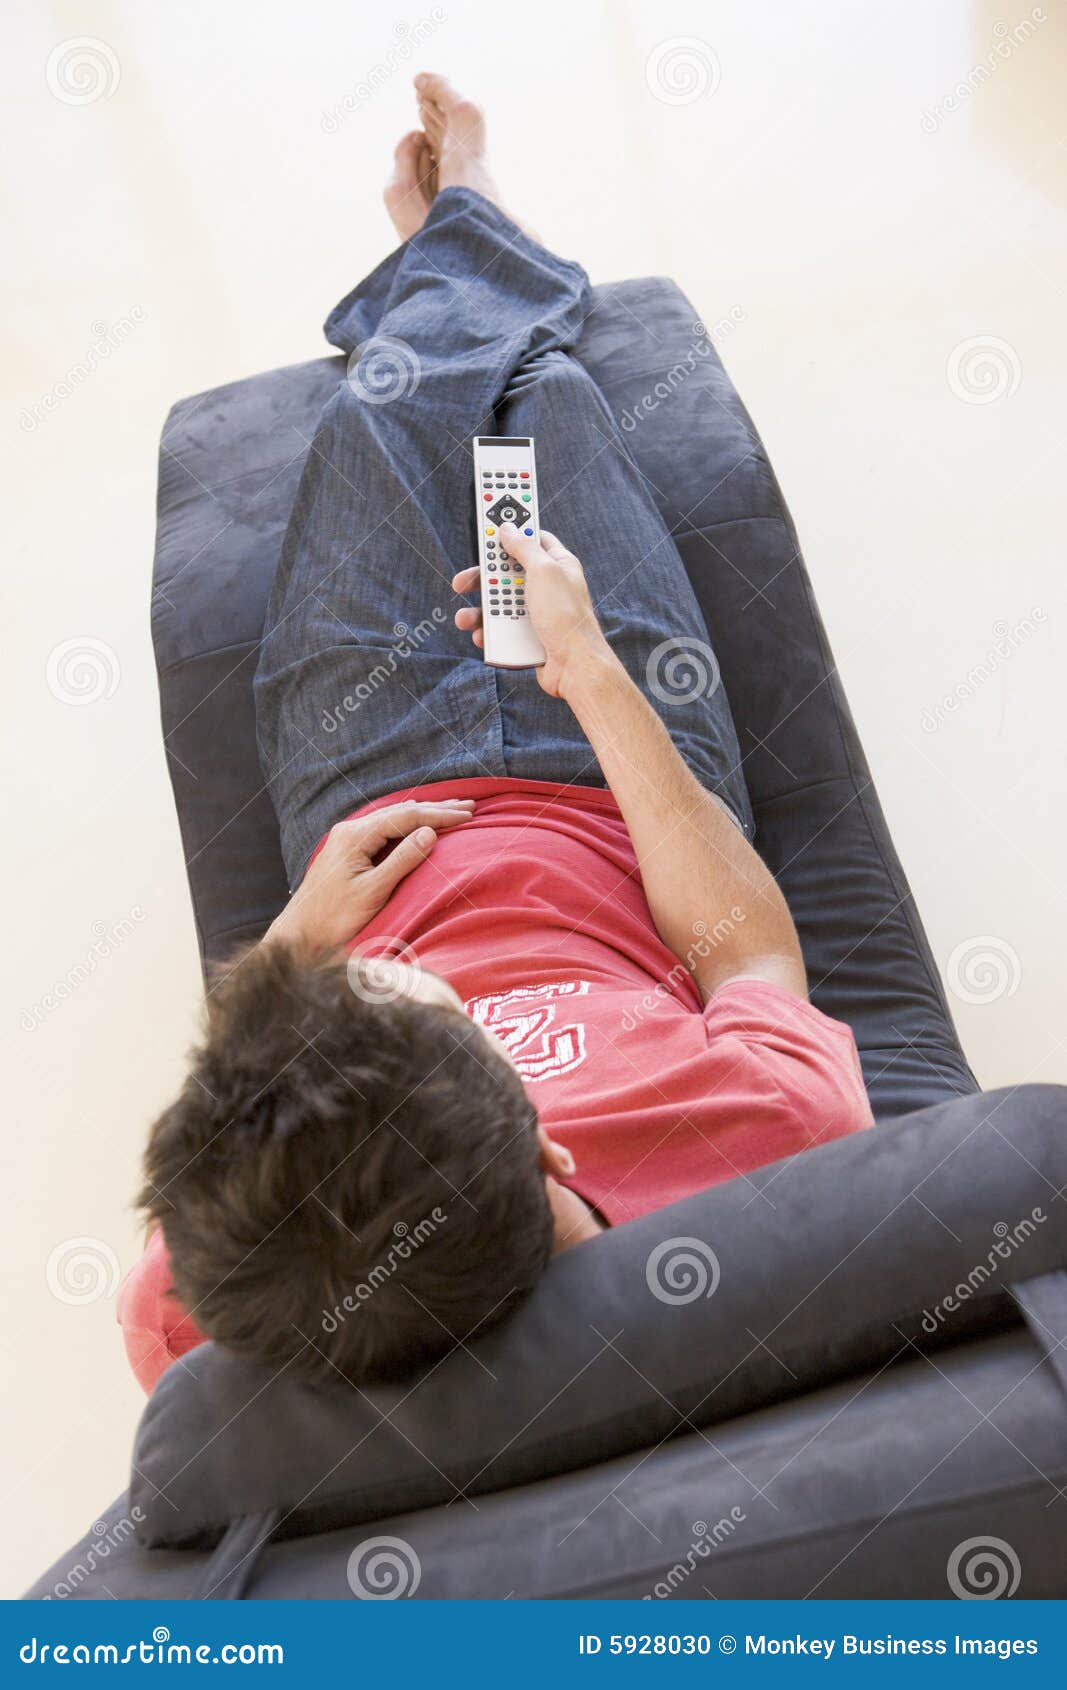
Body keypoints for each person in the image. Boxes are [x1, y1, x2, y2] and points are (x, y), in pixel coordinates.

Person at [118, 74, 873, 1394]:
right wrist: (589, 672)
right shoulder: (772, 1134)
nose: (364, 979)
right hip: (614, 771)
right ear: (549, 1149)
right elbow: (748, 945)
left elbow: (210, 1164)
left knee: (378, 412)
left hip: (367, 771)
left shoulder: (202, 1298)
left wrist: (299, 939)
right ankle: (464, 223)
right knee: (555, 394)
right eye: (401, 999)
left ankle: (443, 250)